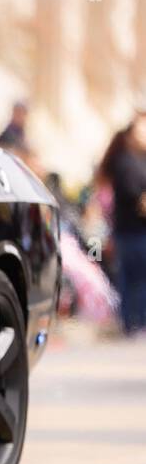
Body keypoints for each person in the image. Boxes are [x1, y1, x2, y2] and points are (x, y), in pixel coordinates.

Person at [96, 110, 146, 334]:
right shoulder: (127, 162)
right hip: (132, 231)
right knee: (135, 279)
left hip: (130, 231)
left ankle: (133, 323)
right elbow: (136, 197)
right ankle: (133, 324)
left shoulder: (136, 160)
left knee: (132, 279)